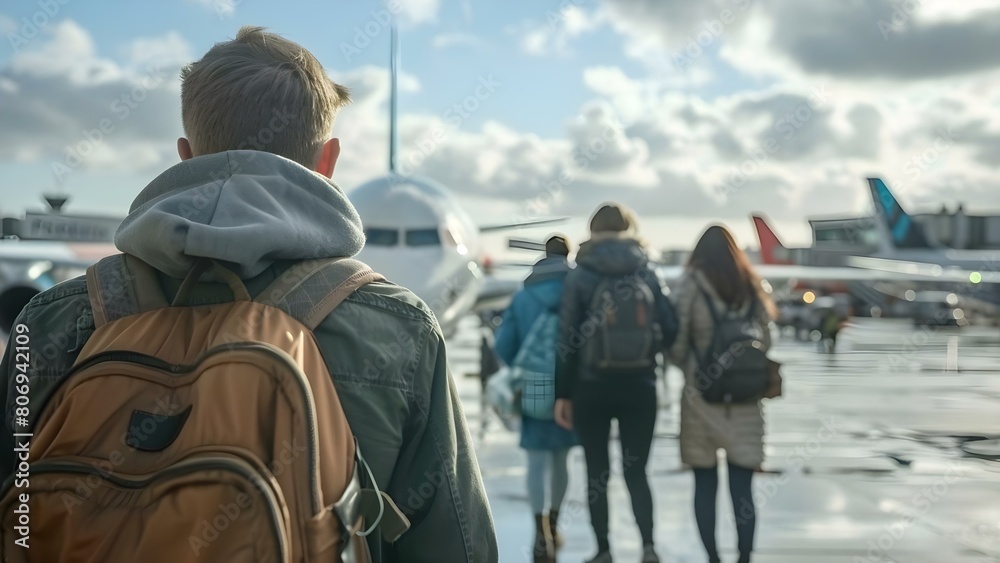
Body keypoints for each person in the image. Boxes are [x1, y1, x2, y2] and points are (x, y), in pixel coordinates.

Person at [0, 26, 497, 562]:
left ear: (186, 155)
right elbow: (455, 545)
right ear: (327, 162)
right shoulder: (399, 329)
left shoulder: (52, 318)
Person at [553, 204, 678, 563]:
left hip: (591, 387)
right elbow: (671, 327)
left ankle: (604, 550)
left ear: (592, 230)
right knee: (636, 472)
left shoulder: (581, 273)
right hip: (640, 385)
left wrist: (562, 393)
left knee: (597, 473)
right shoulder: (647, 270)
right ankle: (648, 547)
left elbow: (567, 337)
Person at [668, 225, 777, 563]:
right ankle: (744, 557)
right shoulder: (751, 283)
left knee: (704, 485)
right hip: (746, 400)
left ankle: (713, 558)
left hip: (701, 397)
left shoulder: (691, 285)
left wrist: (691, 366)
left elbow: (677, 343)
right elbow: (766, 340)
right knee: (743, 488)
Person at [495, 235, 579, 563]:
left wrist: (524, 366)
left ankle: (539, 530)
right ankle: (555, 526)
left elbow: (504, 345)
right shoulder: (578, 290)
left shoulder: (524, 295)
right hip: (571, 387)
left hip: (534, 384)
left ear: (544, 255)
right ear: (568, 255)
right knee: (562, 459)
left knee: (536, 460)